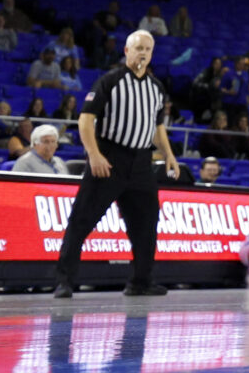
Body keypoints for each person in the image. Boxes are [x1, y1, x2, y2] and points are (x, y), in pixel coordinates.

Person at [53, 30, 179, 298]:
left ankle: (140, 282)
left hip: (142, 163)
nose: (143, 53)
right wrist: (95, 155)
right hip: (110, 159)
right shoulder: (110, 81)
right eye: (138, 48)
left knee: (146, 224)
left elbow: (157, 126)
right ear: (127, 51)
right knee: (82, 220)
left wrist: (168, 154)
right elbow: (86, 120)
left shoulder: (157, 87)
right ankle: (64, 281)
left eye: (148, 48)